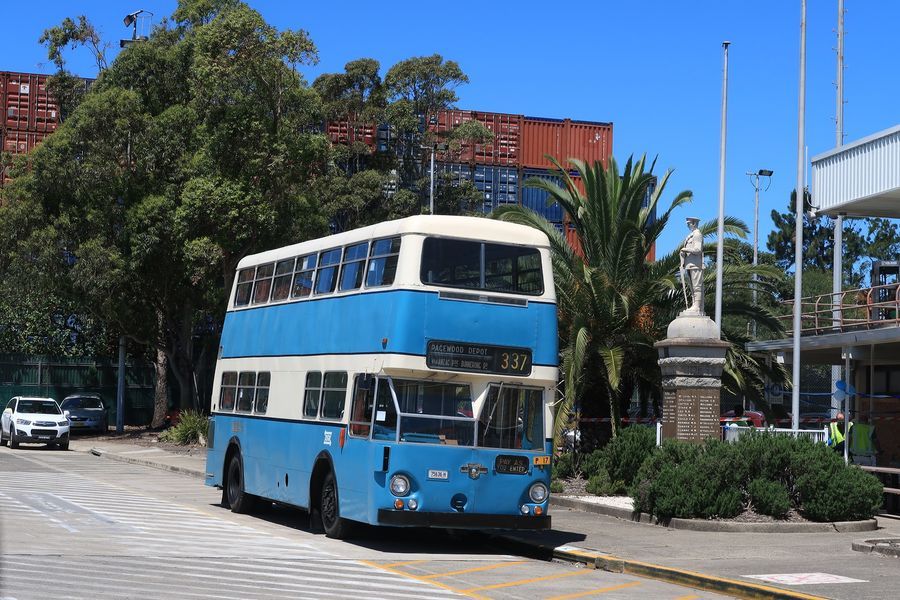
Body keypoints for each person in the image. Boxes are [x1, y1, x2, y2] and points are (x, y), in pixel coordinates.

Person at [679, 217, 704, 314]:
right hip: (689, 264)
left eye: (689, 223)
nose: (687, 225)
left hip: (695, 264)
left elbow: (698, 250)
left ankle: (697, 306)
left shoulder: (697, 234)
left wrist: (685, 250)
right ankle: (694, 304)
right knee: (692, 286)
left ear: (694, 223)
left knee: (696, 286)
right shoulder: (691, 235)